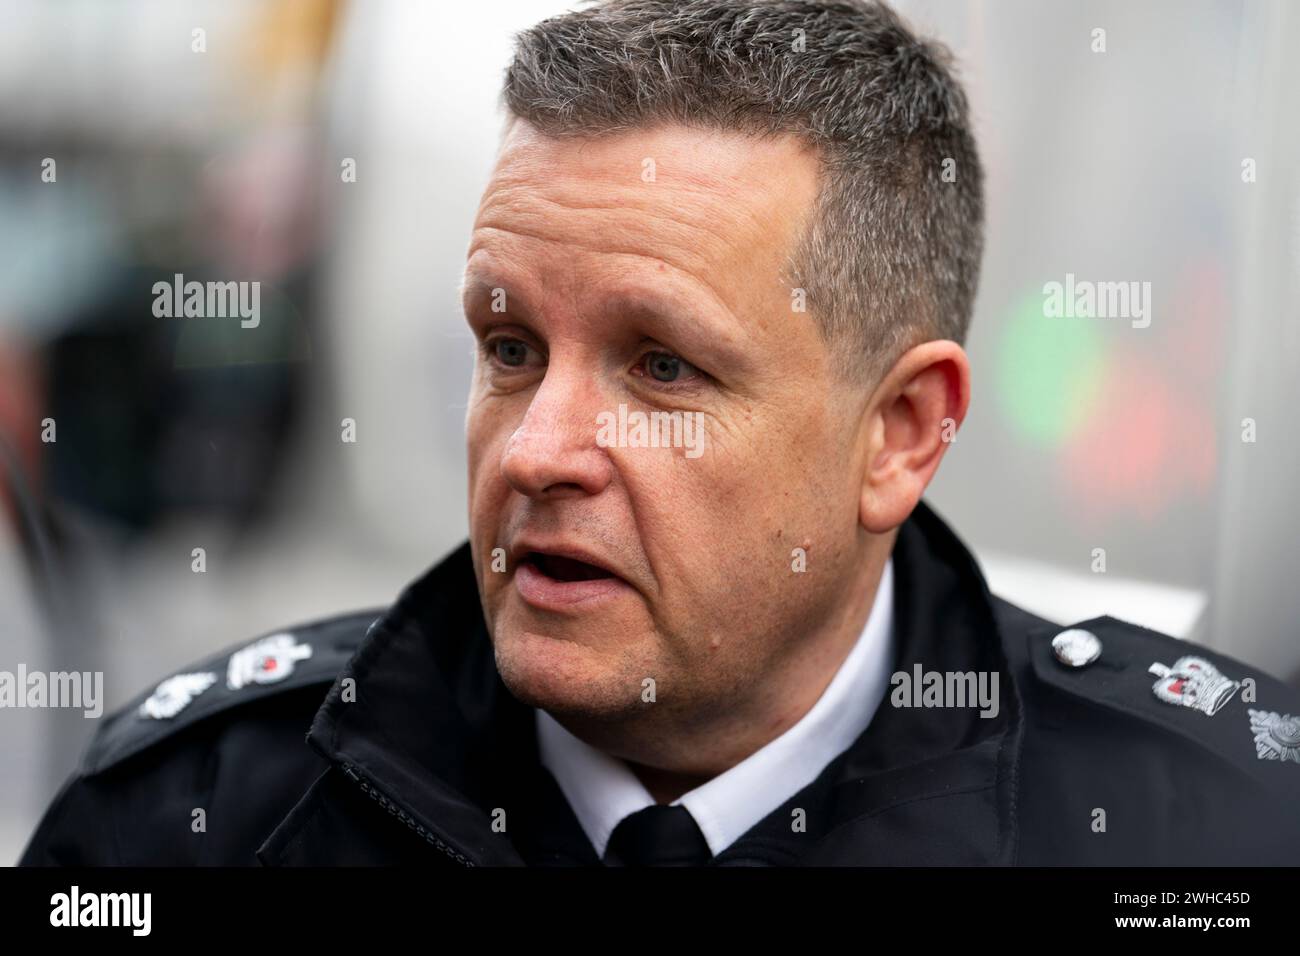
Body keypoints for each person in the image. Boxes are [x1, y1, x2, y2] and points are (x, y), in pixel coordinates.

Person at [20, 0, 1300, 867]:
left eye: (663, 366)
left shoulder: (1204, 827)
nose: (537, 450)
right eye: (511, 346)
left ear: (901, 432)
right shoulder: (191, 818)